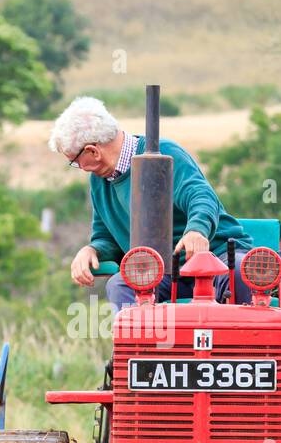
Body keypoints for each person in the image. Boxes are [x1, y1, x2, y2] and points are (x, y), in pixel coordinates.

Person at [49, 96, 252, 307]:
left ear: (93, 151)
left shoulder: (165, 154)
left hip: (215, 259)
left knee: (240, 272)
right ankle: (143, 331)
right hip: (162, 273)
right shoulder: (100, 182)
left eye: (75, 161)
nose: (81, 168)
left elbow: (200, 195)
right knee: (120, 285)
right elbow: (106, 237)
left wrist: (197, 230)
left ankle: (246, 328)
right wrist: (92, 250)